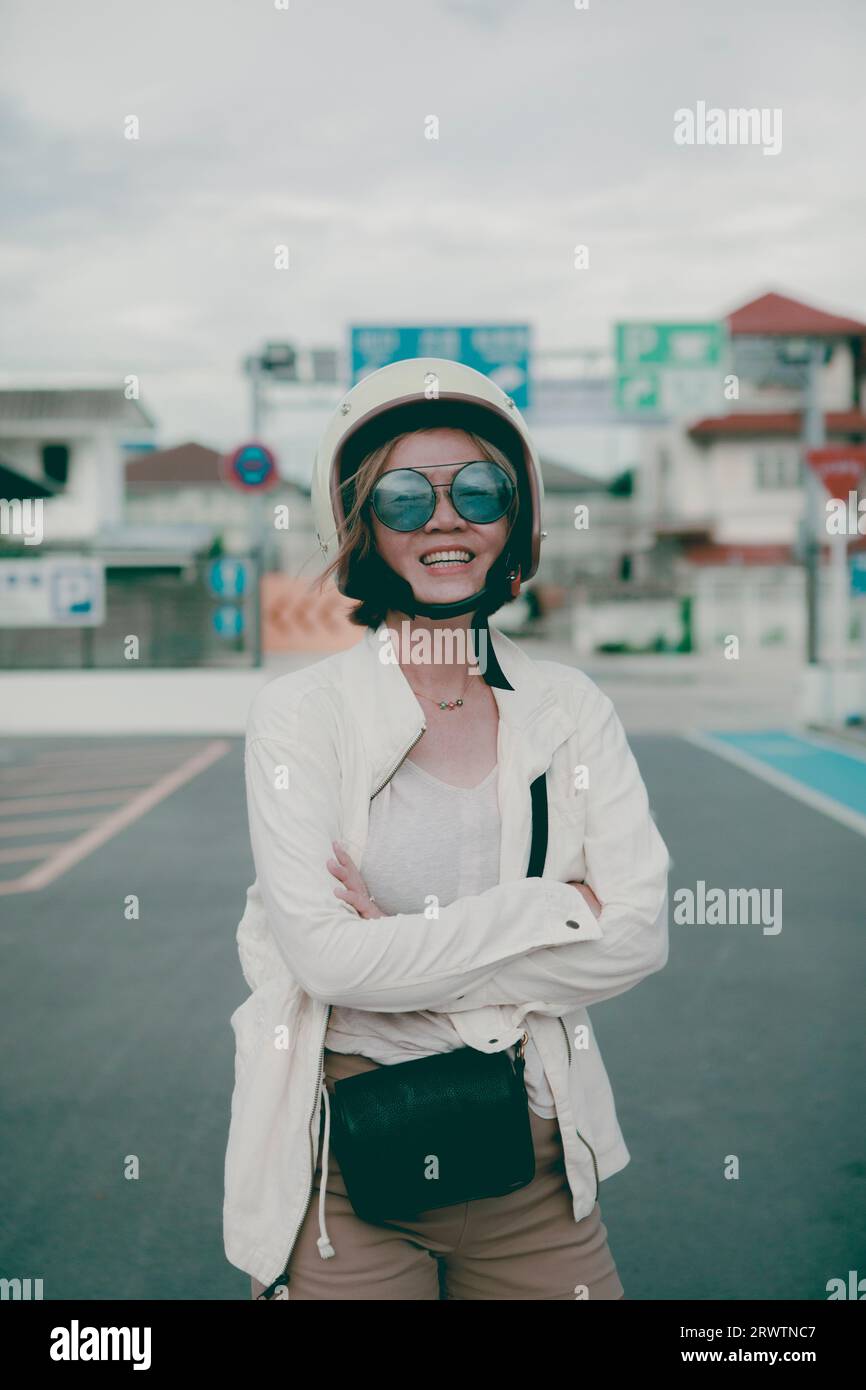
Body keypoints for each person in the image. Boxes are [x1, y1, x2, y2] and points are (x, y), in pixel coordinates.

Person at [223, 356, 671, 1301]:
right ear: (358, 522)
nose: (445, 517)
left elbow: (637, 934)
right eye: (402, 497)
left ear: (514, 516)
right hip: (344, 1168)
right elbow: (329, 963)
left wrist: (392, 943)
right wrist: (555, 907)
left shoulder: (569, 706)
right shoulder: (301, 715)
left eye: (477, 489)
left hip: (535, 1162)